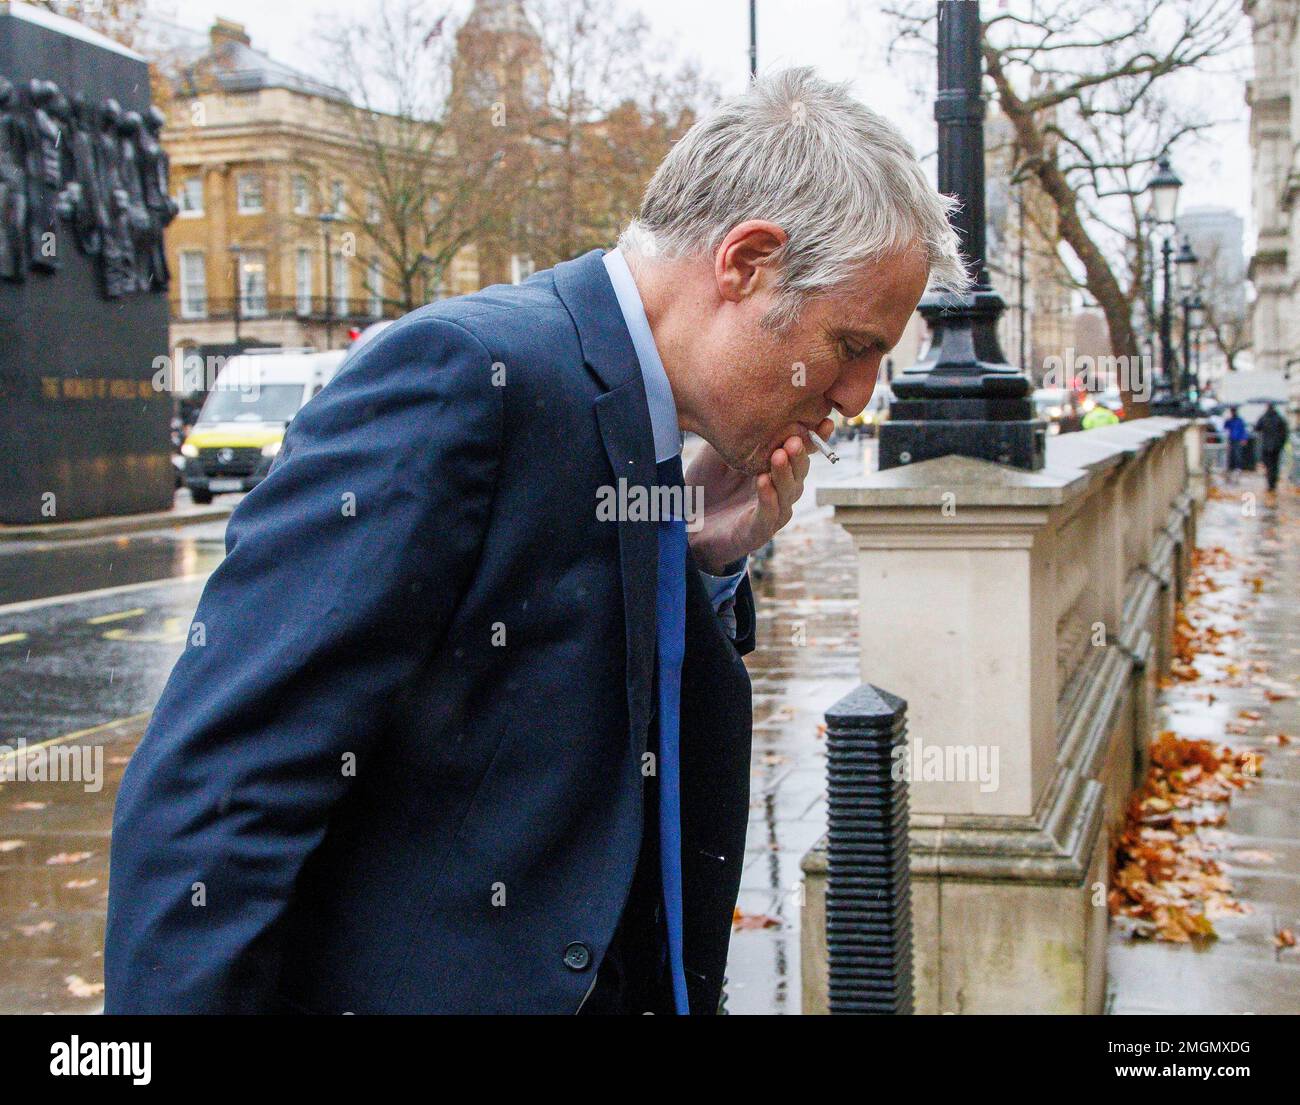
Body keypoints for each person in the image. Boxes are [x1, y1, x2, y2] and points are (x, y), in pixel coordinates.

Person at [103, 69, 966, 1015]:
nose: (856, 396)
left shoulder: (665, 430)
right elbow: (217, 791)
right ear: (747, 263)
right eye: (852, 345)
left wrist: (704, 566)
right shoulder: (465, 376)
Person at [1255, 402, 1290, 493]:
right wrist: (1281, 444)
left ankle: (1270, 482)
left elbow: (1257, 428)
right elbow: (1285, 433)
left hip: (1266, 446)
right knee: (1275, 465)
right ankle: (1273, 483)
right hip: (1276, 446)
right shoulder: (1280, 418)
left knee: (1268, 464)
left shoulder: (1264, 417)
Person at [1224, 406, 1250, 482]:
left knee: (1237, 454)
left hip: (1237, 439)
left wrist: (1244, 438)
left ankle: (1237, 468)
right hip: (1232, 439)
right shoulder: (1231, 420)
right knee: (1232, 454)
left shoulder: (1239, 420)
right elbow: (1225, 427)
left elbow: (1243, 430)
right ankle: (1233, 467)